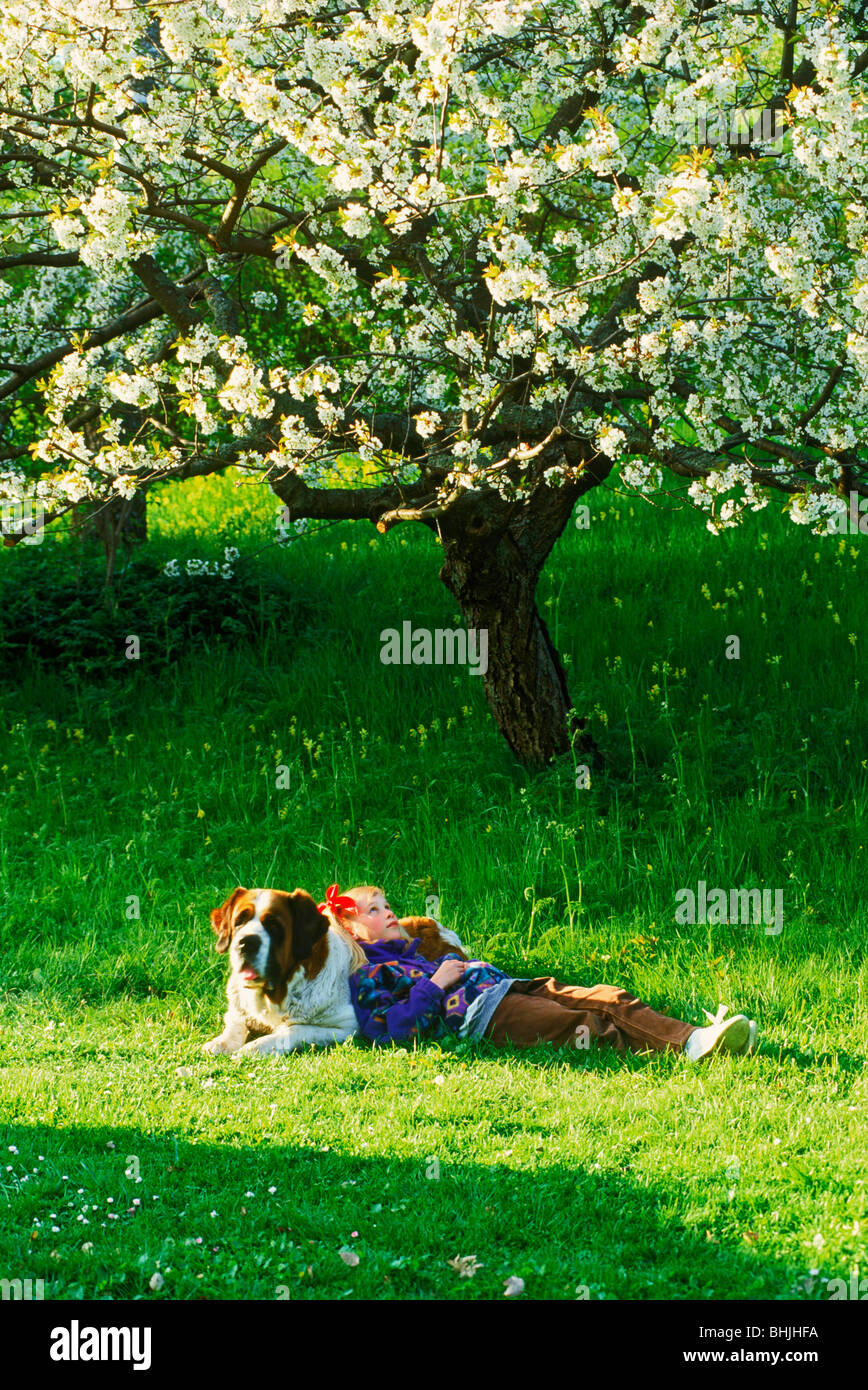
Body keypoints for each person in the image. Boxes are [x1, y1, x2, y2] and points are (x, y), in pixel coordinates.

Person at [323, 884, 759, 1061]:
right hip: (483, 1017)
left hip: (506, 986)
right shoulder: (368, 977)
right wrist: (436, 985)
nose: (389, 911)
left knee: (607, 996)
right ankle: (677, 1048)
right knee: (580, 1025)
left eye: (386, 903)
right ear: (349, 928)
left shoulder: (414, 951)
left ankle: (694, 1037)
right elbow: (387, 1031)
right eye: (374, 909)